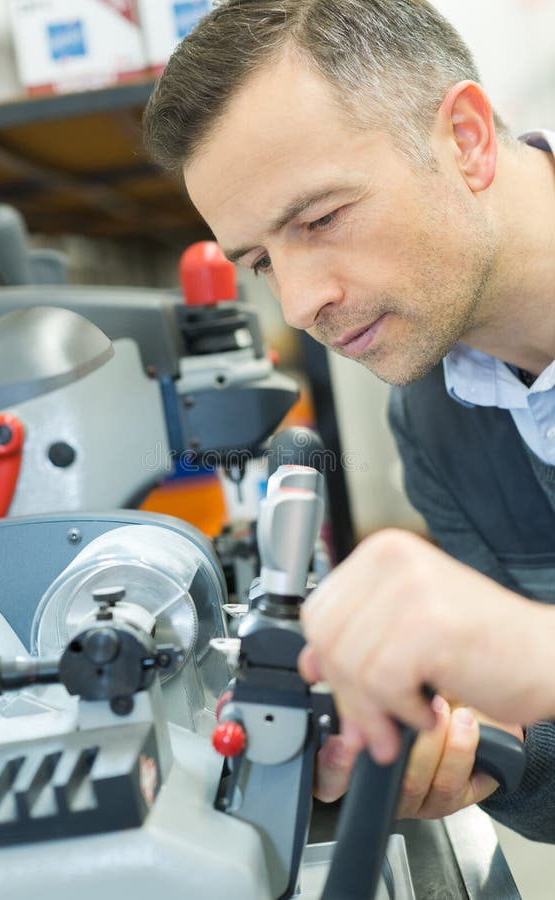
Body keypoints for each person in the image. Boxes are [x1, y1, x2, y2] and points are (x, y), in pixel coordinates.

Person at [143, 0, 555, 840]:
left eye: (322, 218)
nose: (299, 305)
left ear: (467, 139)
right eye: (262, 262)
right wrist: (483, 750)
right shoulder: (433, 422)